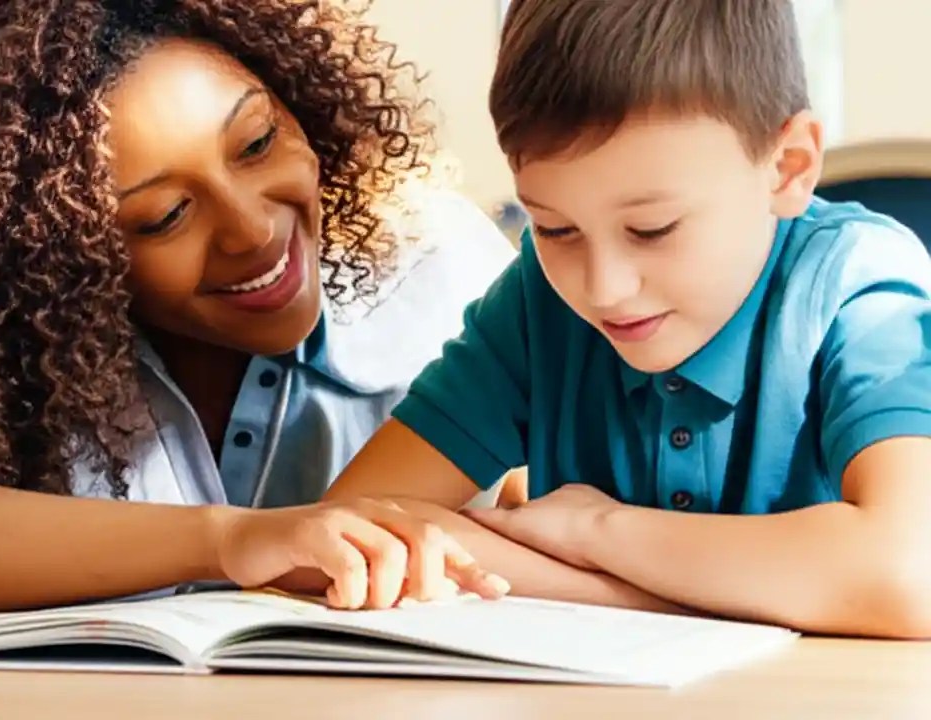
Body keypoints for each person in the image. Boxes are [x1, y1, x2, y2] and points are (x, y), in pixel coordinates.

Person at [0, 0, 563, 613]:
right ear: (60, 255)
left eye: (258, 144)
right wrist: (227, 540)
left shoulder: (439, 261)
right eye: (164, 216)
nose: (254, 232)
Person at [326, 0, 931, 638]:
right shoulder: (539, 301)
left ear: (788, 167)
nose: (606, 288)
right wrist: (659, 592)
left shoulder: (858, 285)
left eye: (652, 228)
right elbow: (339, 535)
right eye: (555, 228)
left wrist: (595, 530)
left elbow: (910, 572)